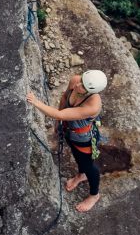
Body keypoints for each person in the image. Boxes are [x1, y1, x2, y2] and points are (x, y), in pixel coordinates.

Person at [26, 69, 107, 212]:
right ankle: (81, 175)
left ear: (91, 92)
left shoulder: (92, 105)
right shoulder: (76, 80)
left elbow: (60, 113)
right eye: (81, 80)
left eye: (83, 87)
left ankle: (94, 195)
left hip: (84, 138)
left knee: (88, 165)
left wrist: (35, 102)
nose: (78, 85)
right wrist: (58, 123)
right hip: (69, 131)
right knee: (77, 156)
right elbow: (64, 98)